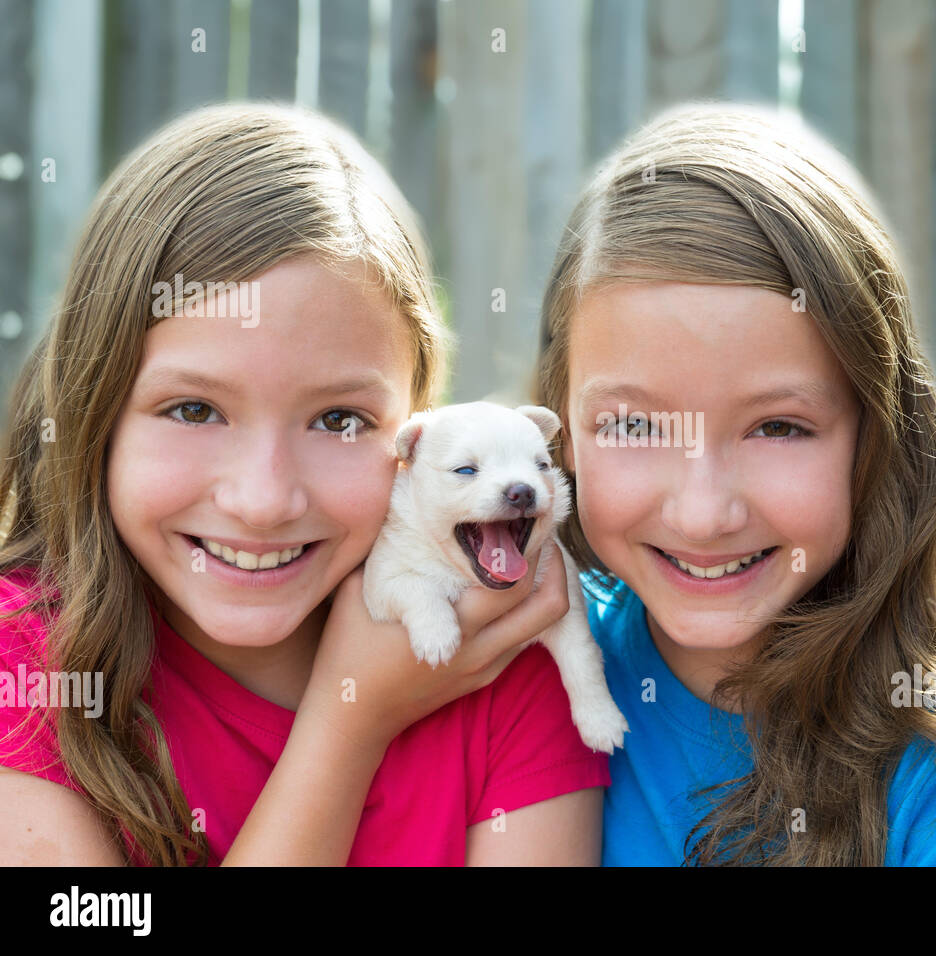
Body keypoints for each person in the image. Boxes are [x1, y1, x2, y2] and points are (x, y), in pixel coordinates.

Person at [0, 103, 607, 866]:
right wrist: (347, 725)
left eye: (340, 421)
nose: (264, 500)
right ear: (99, 410)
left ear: (414, 438)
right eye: (194, 410)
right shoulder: (26, 674)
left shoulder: (504, 657)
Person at [534, 102, 936, 866]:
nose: (702, 513)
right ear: (556, 427)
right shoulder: (516, 672)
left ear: (876, 431)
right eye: (634, 427)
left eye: (778, 428)